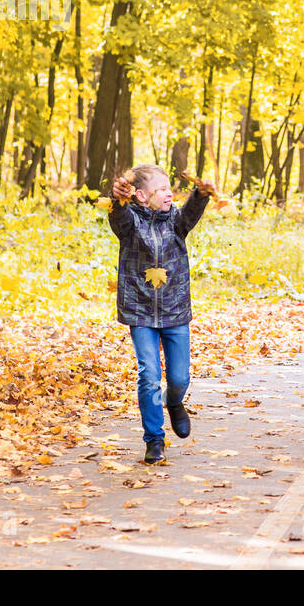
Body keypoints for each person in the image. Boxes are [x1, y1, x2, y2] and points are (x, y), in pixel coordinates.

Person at [109, 164, 216, 464]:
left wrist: (201, 193)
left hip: (175, 310)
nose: (169, 193)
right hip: (140, 312)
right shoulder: (129, 224)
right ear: (141, 196)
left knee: (179, 378)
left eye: (170, 188)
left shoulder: (176, 221)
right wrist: (117, 198)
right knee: (149, 375)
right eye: (161, 189)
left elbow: (192, 209)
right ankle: (154, 439)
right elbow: (118, 214)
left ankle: (174, 401)